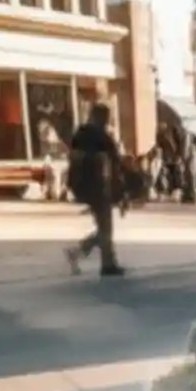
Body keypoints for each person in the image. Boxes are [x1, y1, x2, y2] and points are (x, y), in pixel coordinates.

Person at [63, 103, 126, 277]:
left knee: (104, 227)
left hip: (84, 186)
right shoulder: (102, 138)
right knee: (106, 227)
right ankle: (91, 257)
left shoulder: (80, 134)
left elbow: (73, 159)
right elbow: (114, 164)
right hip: (100, 186)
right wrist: (119, 188)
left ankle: (105, 261)